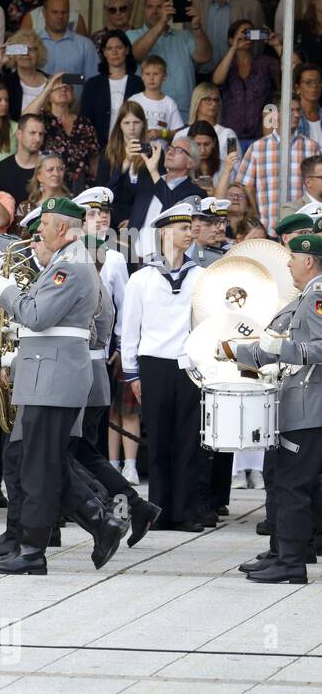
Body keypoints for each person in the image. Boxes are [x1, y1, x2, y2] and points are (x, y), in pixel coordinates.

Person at [0, 195, 128, 575]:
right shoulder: (64, 261)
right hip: (48, 371)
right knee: (43, 462)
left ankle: (33, 550)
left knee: (40, 466)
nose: (37, 231)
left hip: (55, 375)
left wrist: (2, 287)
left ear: (62, 228)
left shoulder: (71, 266)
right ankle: (101, 522)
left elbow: (38, 314)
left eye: (43, 224)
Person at [225, 233, 322, 584]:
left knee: (294, 485)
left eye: (293, 257)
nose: (288, 263)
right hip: (296, 403)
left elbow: (316, 348)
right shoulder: (304, 297)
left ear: (309, 261)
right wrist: (238, 351)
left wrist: (283, 351)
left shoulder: (317, 298)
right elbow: (276, 342)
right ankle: (283, 552)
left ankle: (292, 563)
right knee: (283, 482)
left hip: (310, 406)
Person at [120, 200, 205, 532]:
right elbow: (130, 328)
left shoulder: (201, 275)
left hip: (189, 364)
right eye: (183, 228)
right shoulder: (142, 278)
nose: (190, 233)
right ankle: (159, 509)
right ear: (165, 233)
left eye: (190, 227)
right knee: (158, 439)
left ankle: (185, 512)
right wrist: (132, 373)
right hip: (154, 364)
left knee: (188, 439)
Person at [128, 0, 213, 124]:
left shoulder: (184, 36)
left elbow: (204, 57)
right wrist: (162, 22)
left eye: (160, 7)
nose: (155, 11)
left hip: (184, 113)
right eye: (150, 7)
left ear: (171, 8)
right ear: (144, 9)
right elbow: (136, 54)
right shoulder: (132, 35)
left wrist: (196, 27)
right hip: (148, 115)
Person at [237, 97, 322, 230]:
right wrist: (256, 212)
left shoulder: (312, 147)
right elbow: (246, 185)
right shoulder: (257, 148)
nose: (296, 114)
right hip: (267, 225)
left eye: (298, 110)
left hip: (303, 228)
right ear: (276, 115)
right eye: (291, 110)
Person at [213, 20, 283, 148]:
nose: (246, 36)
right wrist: (234, 47)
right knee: (232, 165)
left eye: (250, 33)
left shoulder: (265, 63)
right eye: (243, 33)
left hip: (261, 134)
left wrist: (277, 45)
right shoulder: (227, 64)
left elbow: (292, 70)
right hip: (231, 135)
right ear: (230, 39)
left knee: (259, 167)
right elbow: (217, 80)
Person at [23, 73, 96, 193]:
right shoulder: (42, 119)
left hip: (82, 187)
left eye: (67, 88)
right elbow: (25, 119)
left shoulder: (84, 122)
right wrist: (48, 88)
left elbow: (94, 159)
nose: (63, 89)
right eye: (57, 88)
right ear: (48, 96)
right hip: (50, 186)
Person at [195, 0, 267, 72]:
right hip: (202, 72)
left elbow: (257, 44)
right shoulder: (197, 4)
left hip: (237, 75)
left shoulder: (251, 7)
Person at [81, 30, 141, 149]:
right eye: (109, 48)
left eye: (119, 47)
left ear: (127, 50)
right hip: (101, 150)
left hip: (133, 148)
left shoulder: (139, 83)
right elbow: (86, 122)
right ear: (104, 52)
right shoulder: (92, 85)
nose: (114, 52)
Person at [33, 0, 95, 87]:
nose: (60, 16)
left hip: (76, 102)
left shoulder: (85, 45)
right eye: (54, 12)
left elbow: (94, 82)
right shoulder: (31, 44)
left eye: (64, 12)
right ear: (44, 13)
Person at [0, 28, 49, 115]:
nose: (26, 54)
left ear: (39, 53)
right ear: (13, 53)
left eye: (31, 49)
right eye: (21, 49)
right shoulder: (8, 82)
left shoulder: (50, 81)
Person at [128, 55, 183, 145]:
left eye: (156, 74)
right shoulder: (134, 100)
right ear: (142, 76)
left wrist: (161, 133)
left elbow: (178, 134)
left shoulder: (169, 103)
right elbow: (122, 126)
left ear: (164, 76)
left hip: (160, 155)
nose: (151, 78)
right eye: (147, 74)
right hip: (135, 153)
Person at [0, 112, 44, 207]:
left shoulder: (48, 171)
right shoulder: (0, 170)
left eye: (41, 134)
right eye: (32, 133)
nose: (38, 139)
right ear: (19, 134)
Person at [13, 151, 67, 224]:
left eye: (60, 169)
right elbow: (16, 235)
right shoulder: (25, 208)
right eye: (50, 170)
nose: (56, 174)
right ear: (39, 176)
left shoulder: (75, 203)